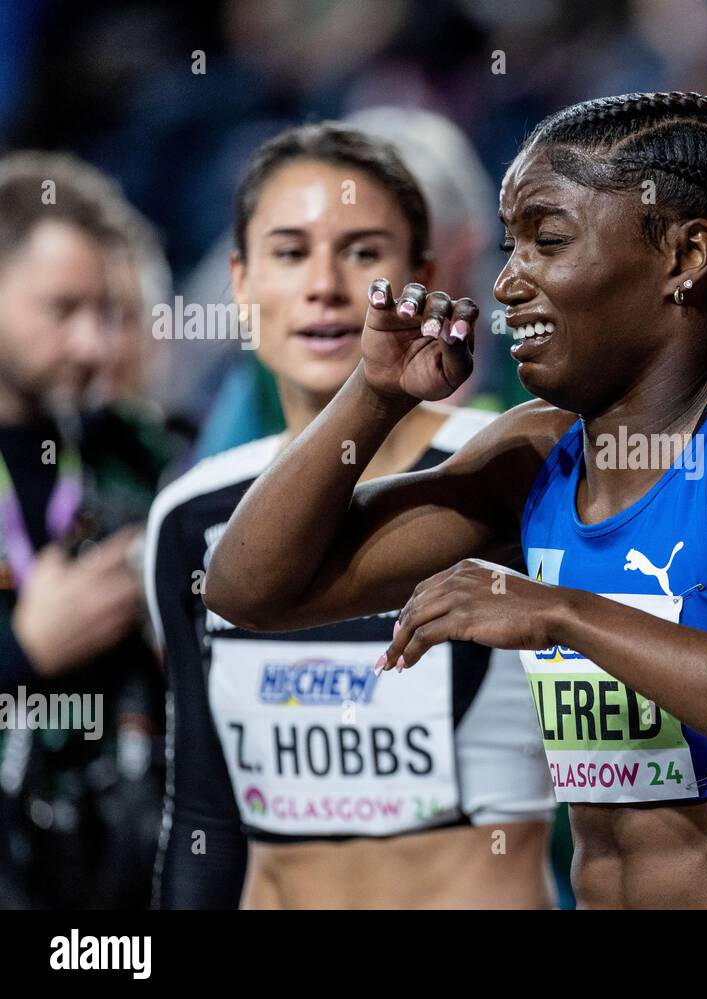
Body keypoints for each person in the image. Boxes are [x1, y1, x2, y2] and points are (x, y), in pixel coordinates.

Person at [204, 91, 707, 909]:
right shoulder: (535, 453)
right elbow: (247, 590)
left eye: (549, 240)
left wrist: (564, 613)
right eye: (508, 246)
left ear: (686, 256)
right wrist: (374, 394)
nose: (506, 282)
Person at [147, 123, 554, 909]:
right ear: (238, 282)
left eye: (364, 252)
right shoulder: (191, 513)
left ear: (427, 277)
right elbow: (204, 816)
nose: (327, 286)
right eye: (290, 252)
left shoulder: (515, 470)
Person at [0, 151, 172, 908]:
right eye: (62, 310)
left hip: (103, 878)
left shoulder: (138, 453)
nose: (95, 347)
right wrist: (22, 650)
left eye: (109, 313)